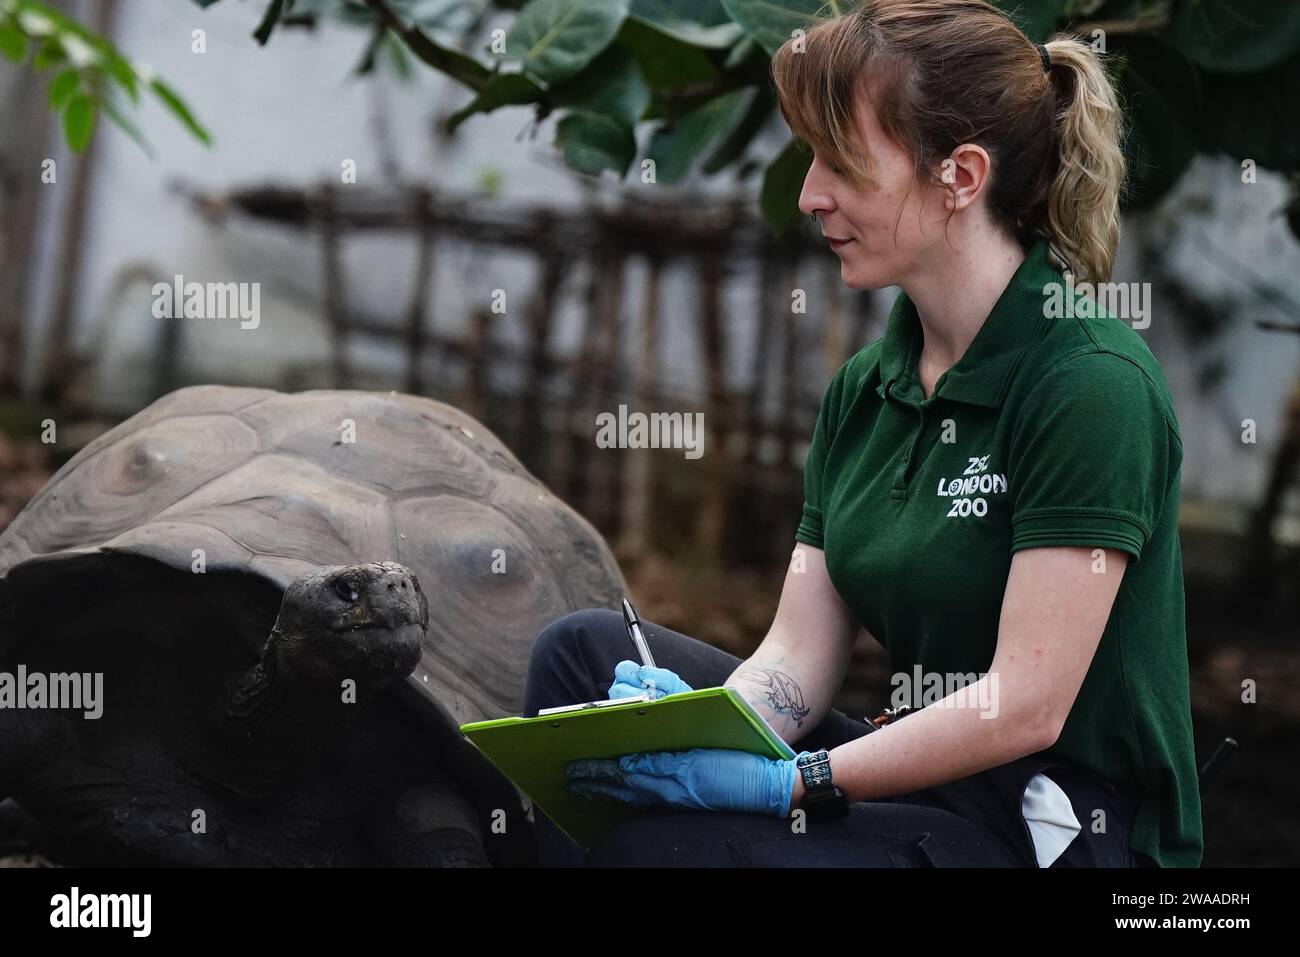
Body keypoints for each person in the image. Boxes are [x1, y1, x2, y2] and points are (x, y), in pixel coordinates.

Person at [524, 0, 1202, 868]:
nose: (810, 194)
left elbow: (1028, 704)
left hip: (1055, 828)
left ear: (960, 176)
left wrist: (789, 783)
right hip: (918, 778)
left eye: (841, 161)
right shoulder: (867, 389)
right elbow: (800, 654)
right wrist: (708, 729)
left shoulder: (1090, 385)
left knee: (662, 849)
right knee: (580, 658)